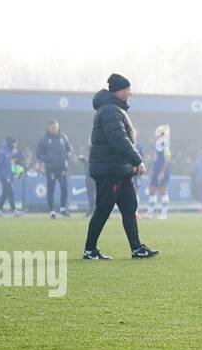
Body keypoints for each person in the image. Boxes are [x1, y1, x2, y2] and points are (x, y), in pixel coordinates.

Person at [83, 74, 158, 260]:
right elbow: (118, 140)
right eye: (127, 89)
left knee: (129, 207)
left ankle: (136, 248)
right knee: (104, 208)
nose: (130, 93)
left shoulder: (114, 109)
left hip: (119, 169)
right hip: (110, 169)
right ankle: (90, 250)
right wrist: (137, 160)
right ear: (118, 91)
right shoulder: (110, 111)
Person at [36, 120, 75, 218]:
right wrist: (47, 160)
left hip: (62, 168)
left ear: (58, 127)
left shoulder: (63, 137)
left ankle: (62, 209)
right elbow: (38, 153)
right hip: (51, 169)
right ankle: (52, 211)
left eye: (55, 127)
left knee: (64, 188)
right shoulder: (44, 139)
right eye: (52, 127)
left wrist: (67, 156)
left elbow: (70, 150)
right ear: (49, 128)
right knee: (51, 190)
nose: (54, 129)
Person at [144, 125, 172, 219]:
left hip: (162, 171)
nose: (156, 134)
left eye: (158, 132)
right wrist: (153, 170)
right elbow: (156, 159)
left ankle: (164, 213)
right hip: (156, 170)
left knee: (162, 190)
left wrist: (162, 171)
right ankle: (150, 212)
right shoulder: (157, 143)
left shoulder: (165, 143)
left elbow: (167, 158)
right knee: (152, 190)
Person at [0, 137, 22, 217]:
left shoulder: (13, 151)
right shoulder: (2, 153)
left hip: (9, 175)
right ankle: (14, 210)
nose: (16, 144)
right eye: (15, 143)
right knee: (10, 192)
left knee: (5, 193)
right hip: (4, 176)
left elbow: (19, 158)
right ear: (11, 143)